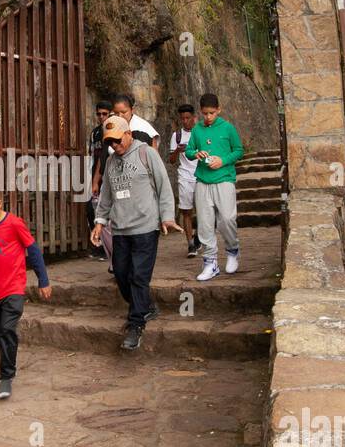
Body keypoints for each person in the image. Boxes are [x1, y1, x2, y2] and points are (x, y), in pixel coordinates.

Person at [91, 116, 182, 350]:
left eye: (118, 140)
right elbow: (106, 196)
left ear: (128, 134)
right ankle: (146, 307)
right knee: (121, 275)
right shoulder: (111, 162)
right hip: (121, 229)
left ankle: (135, 325)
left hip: (145, 227)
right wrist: (99, 223)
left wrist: (167, 217)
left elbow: (163, 186)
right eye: (110, 142)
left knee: (139, 276)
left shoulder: (146, 154)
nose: (115, 146)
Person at [0, 186, 52, 400]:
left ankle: (7, 375)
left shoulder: (14, 223)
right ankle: (9, 357)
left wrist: (43, 280)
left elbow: (33, 251)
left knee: (6, 329)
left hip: (14, 288)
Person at [185, 93, 244, 281]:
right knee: (204, 223)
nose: (208, 117)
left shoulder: (228, 128)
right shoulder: (196, 130)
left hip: (224, 179)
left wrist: (223, 160)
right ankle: (210, 262)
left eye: (211, 113)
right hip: (202, 180)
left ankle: (232, 250)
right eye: (205, 114)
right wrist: (196, 153)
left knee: (227, 219)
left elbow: (239, 150)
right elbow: (188, 151)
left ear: (219, 109)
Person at [168, 104, 200, 257]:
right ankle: (190, 244)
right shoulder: (177, 136)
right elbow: (172, 160)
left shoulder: (200, 132)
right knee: (186, 211)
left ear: (194, 118)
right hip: (185, 176)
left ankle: (199, 236)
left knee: (204, 210)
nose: (185, 121)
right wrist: (177, 150)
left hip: (201, 175)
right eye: (183, 119)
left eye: (188, 118)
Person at [85, 101, 112, 261]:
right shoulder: (95, 133)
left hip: (107, 176)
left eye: (105, 114)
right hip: (96, 176)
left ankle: (106, 247)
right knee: (91, 210)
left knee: (105, 212)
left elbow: (104, 158)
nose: (101, 117)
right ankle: (100, 244)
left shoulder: (111, 131)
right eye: (99, 114)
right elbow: (93, 156)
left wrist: (98, 178)